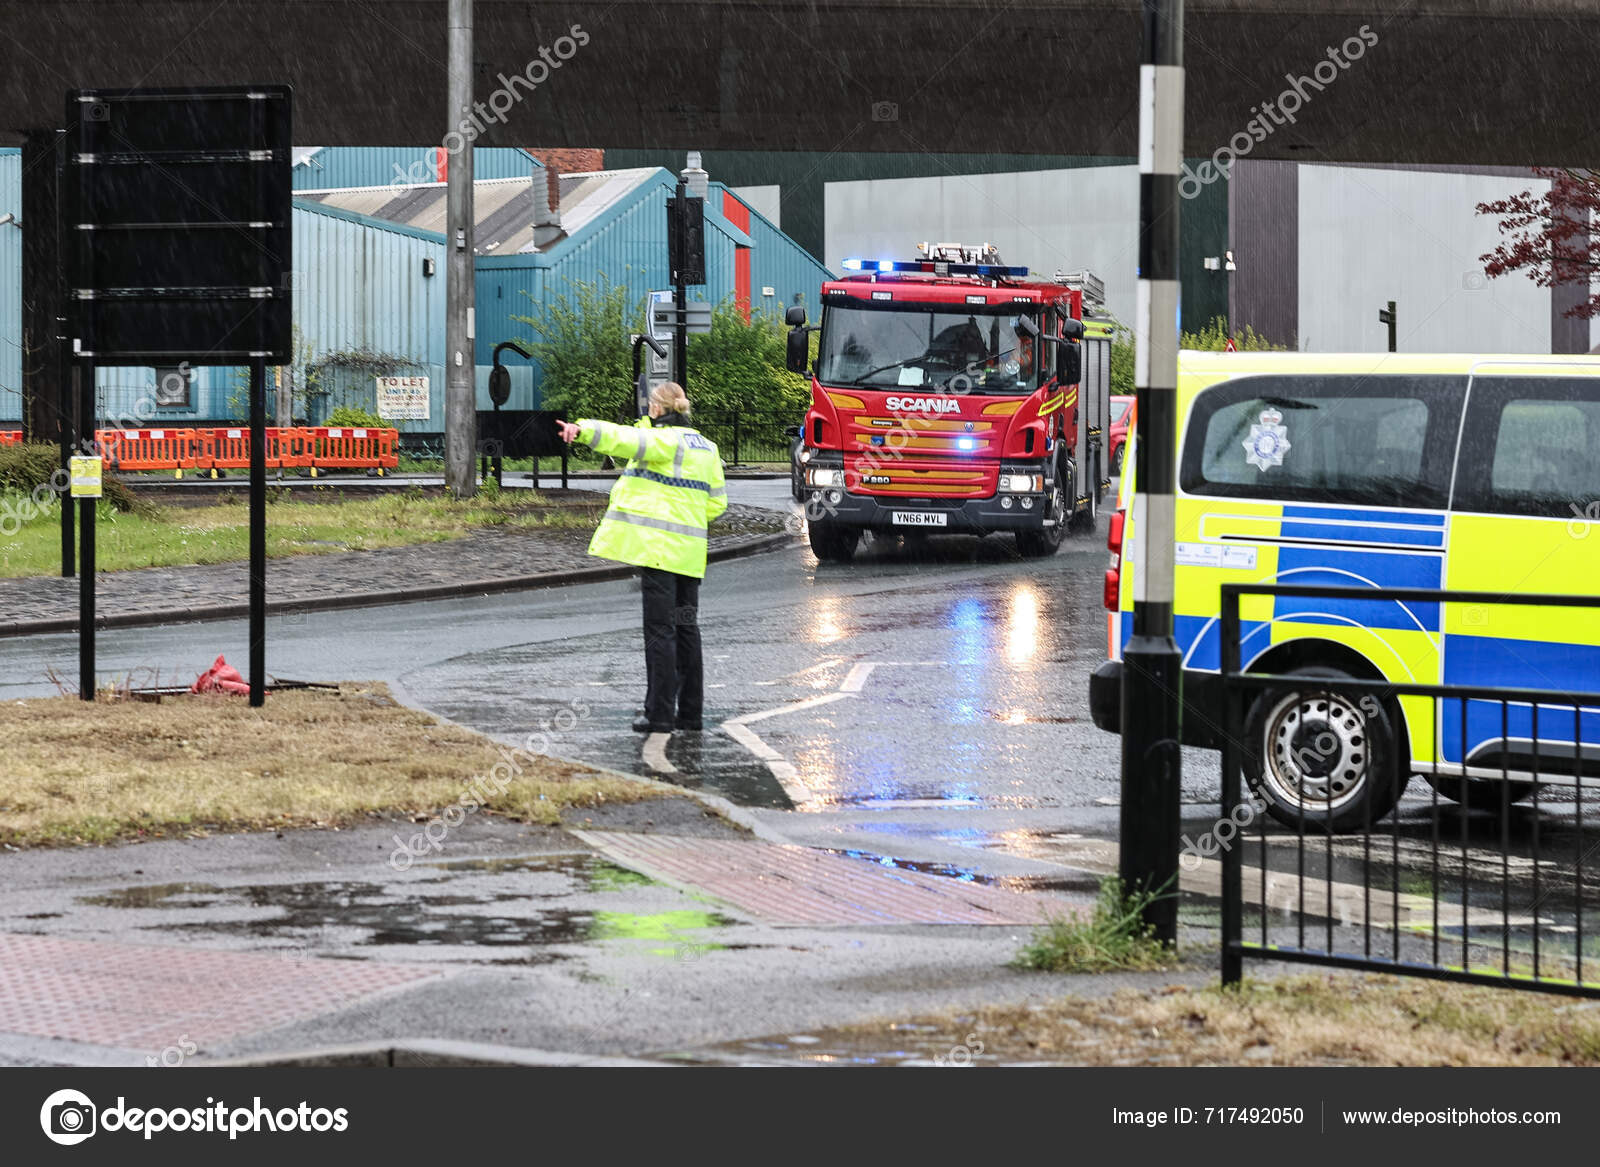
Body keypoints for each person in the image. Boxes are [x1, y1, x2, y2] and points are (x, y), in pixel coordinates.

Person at [556, 383, 727, 735]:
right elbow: (717, 504)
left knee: (660, 634)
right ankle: (691, 715)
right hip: (690, 556)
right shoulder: (707, 448)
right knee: (686, 632)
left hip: (659, 553)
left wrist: (583, 429)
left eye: (650, 406)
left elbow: (624, 439)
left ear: (658, 409)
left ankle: (660, 715)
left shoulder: (664, 442)